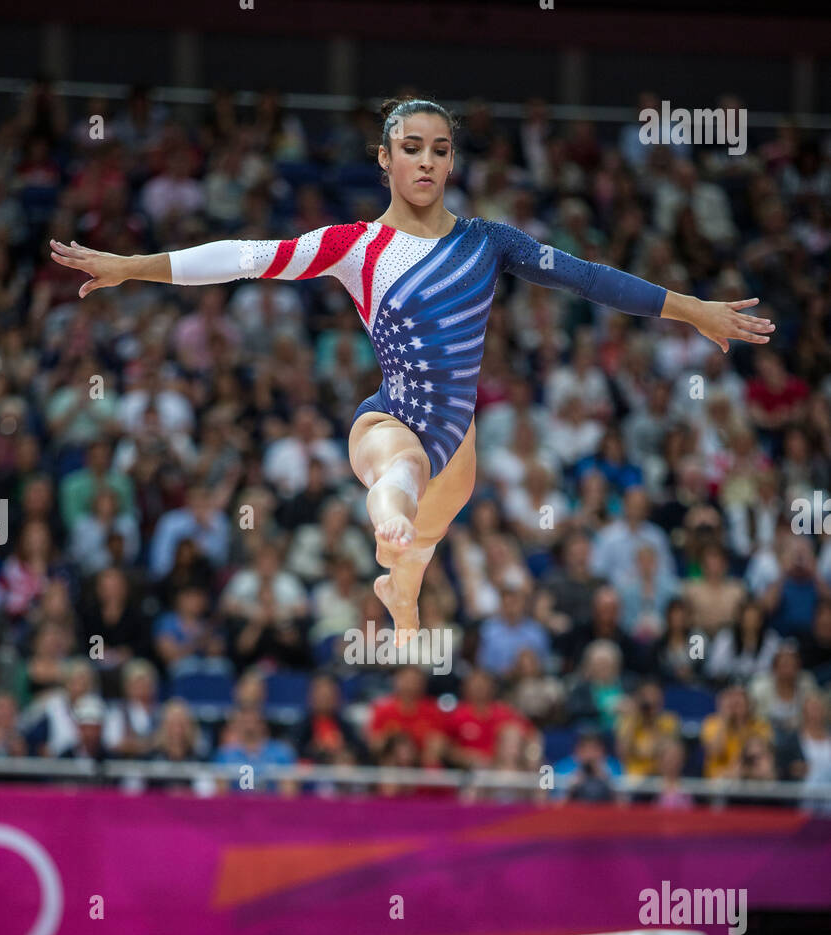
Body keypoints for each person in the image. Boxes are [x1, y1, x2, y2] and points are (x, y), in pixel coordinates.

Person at [50, 97, 774, 645]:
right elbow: (244, 256)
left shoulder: (489, 241)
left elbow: (588, 278)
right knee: (397, 482)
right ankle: (391, 531)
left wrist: (693, 309)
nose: (426, 162)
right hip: (391, 417)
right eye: (411, 149)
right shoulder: (354, 246)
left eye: (439, 150)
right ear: (385, 158)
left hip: (457, 442)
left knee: (423, 543)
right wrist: (133, 267)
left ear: (452, 161)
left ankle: (402, 587)